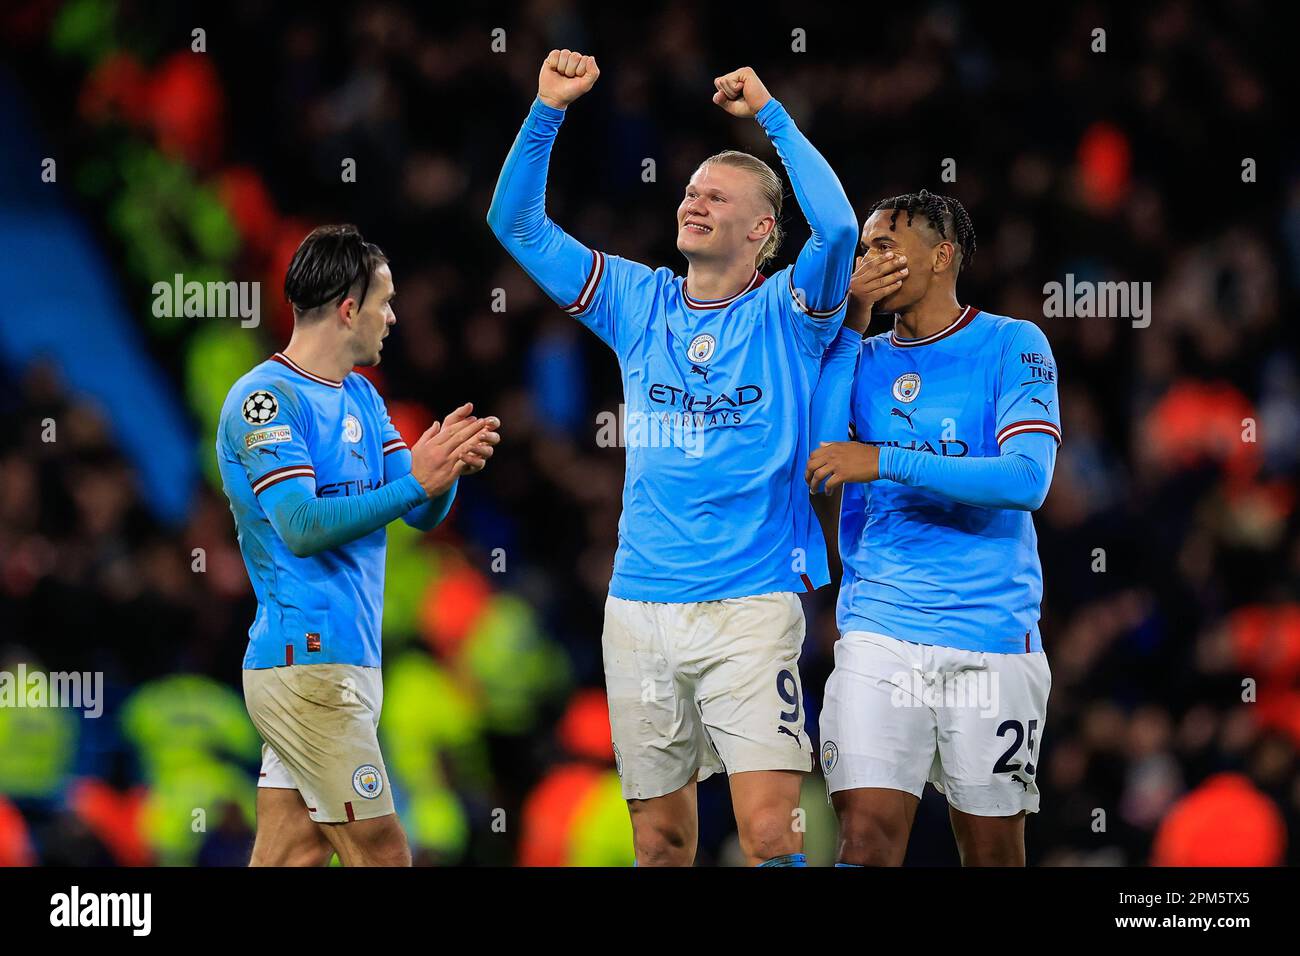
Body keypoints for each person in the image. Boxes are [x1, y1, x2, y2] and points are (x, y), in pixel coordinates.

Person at [488, 50, 857, 866]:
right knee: (658, 844)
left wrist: (771, 115)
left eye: (717, 194)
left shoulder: (792, 313)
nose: (692, 200)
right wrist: (547, 109)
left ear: (763, 230)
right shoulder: (636, 298)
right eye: (689, 190)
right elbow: (514, 223)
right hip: (640, 610)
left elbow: (837, 229)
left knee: (769, 832)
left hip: (751, 607)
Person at [216, 224, 500, 866]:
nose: (393, 317)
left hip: (347, 663)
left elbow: (421, 511)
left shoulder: (363, 397)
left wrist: (445, 470)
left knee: (292, 855)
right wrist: (416, 484)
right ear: (349, 308)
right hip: (306, 663)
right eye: (385, 301)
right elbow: (301, 526)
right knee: (383, 852)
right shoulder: (266, 400)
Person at [807, 191, 1059, 866]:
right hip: (879, 629)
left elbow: (1025, 480)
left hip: (991, 636)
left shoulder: (1012, 344)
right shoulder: (856, 358)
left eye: (885, 244)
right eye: (863, 249)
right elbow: (823, 462)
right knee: (863, 840)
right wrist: (851, 321)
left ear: (943, 255)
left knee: (992, 853)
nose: (868, 259)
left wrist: (884, 460)